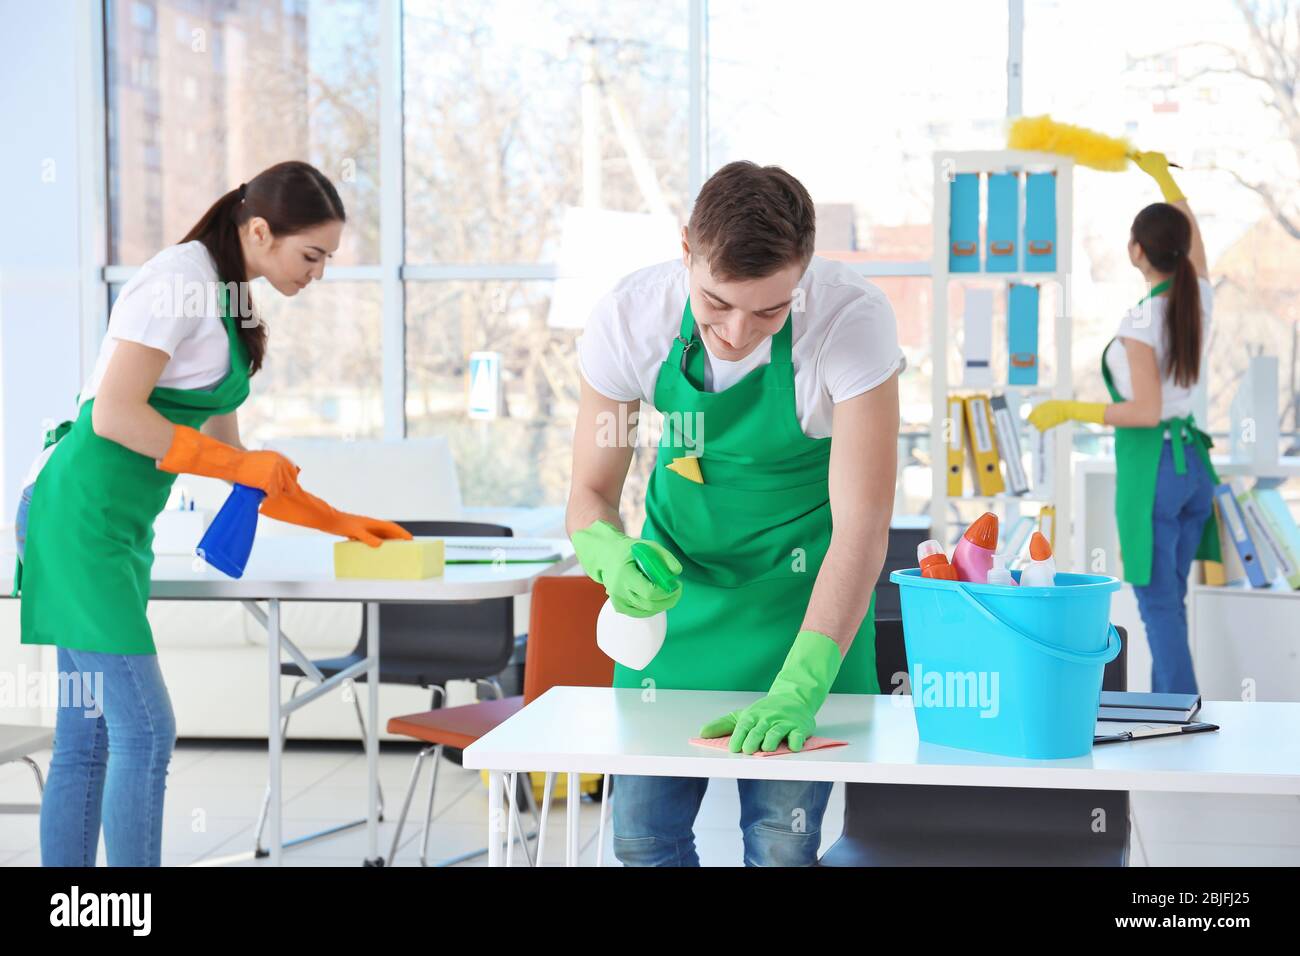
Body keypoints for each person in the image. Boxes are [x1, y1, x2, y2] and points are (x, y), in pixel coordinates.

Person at [16, 160, 410, 866]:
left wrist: (340, 522)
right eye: (311, 255)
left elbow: (238, 464)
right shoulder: (178, 280)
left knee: (90, 733)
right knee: (144, 728)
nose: (317, 274)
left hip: (114, 523)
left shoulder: (233, 298)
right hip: (77, 514)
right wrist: (241, 468)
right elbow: (113, 415)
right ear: (259, 231)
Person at [567, 161, 902, 866]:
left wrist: (801, 685)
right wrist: (609, 557)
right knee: (640, 839)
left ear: (803, 273)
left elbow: (863, 527)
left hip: (802, 612)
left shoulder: (851, 321)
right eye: (717, 303)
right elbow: (590, 493)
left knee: (781, 848)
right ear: (686, 247)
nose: (738, 333)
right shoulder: (631, 318)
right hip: (675, 612)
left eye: (771, 311)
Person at [1030, 151, 1219, 694]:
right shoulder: (1199, 296)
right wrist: (1163, 180)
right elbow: (1196, 242)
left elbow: (1144, 412)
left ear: (1136, 250)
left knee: (1158, 604)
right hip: (1193, 470)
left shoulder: (1142, 319)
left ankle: (1178, 708)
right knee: (1171, 598)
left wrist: (1070, 409)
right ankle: (1174, 706)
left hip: (1155, 468)